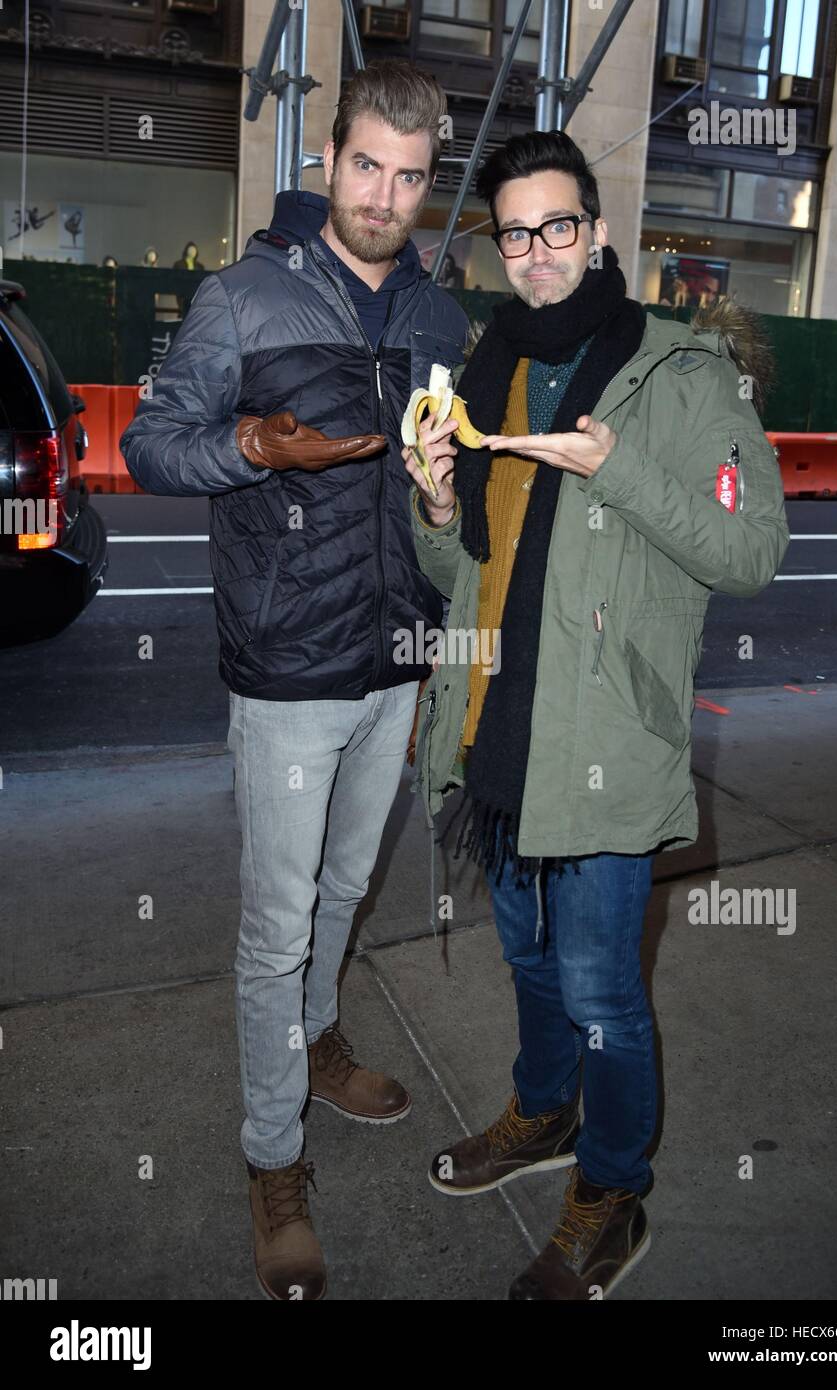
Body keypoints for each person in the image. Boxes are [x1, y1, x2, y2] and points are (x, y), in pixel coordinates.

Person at [403, 129, 790, 1301]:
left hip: (607, 748)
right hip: (498, 735)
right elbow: (458, 573)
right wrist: (430, 503)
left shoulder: (681, 375)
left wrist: (615, 467)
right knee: (525, 958)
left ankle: (613, 1188)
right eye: (513, 233)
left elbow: (753, 553)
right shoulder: (486, 370)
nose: (534, 252)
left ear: (599, 232)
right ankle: (542, 1110)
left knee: (601, 990)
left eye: (556, 226)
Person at [120, 58, 469, 1300]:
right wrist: (252, 445)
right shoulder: (245, 297)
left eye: (410, 177)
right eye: (366, 164)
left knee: (344, 882)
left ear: (430, 186)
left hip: (396, 659)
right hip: (285, 667)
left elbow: (448, 478)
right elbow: (147, 442)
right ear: (329, 159)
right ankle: (274, 1160)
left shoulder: (439, 318)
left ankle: (316, 1040)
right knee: (273, 924)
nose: (383, 193)